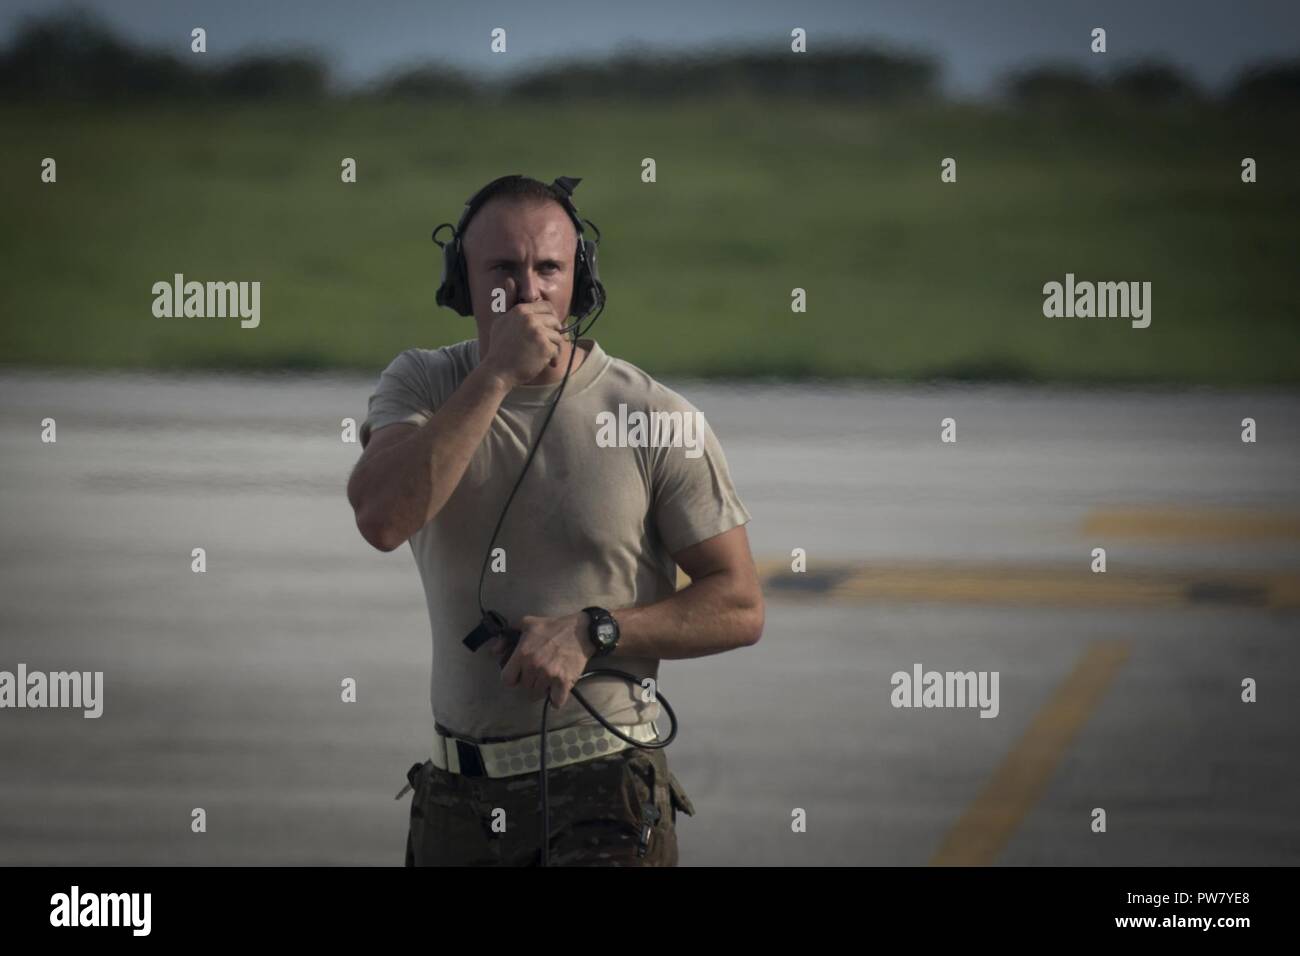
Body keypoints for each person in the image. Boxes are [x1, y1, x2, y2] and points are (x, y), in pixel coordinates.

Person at [346, 174, 764, 866]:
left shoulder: (653, 416)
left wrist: (595, 630)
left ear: (581, 280)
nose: (529, 292)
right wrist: (496, 376)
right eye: (503, 271)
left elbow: (740, 605)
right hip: (456, 794)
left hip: (602, 788)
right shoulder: (423, 385)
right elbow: (382, 518)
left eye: (549, 268)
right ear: (463, 282)